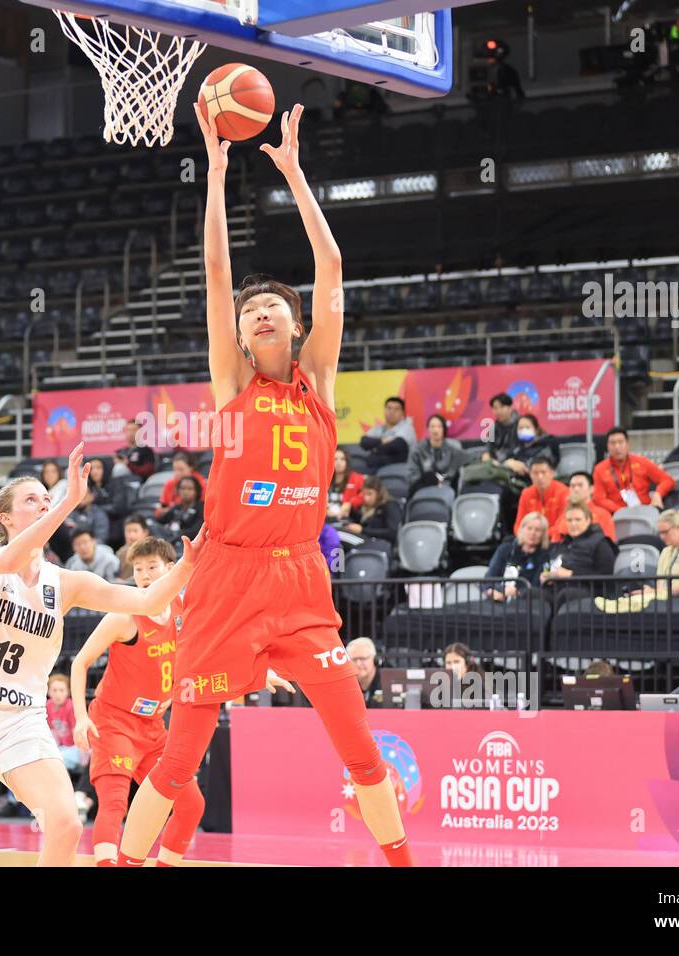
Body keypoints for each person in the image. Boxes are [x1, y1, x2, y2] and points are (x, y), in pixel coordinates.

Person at [118, 103, 411, 869]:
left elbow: (334, 270)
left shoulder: (316, 380)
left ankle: (403, 860)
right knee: (181, 757)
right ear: (245, 339)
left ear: (293, 321)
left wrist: (293, 172)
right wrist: (215, 174)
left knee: (356, 738)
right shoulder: (231, 390)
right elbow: (218, 275)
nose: (261, 311)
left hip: (299, 578)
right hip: (226, 577)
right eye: (252, 313)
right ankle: (120, 862)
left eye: (273, 304)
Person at [0, 445, 201, 867]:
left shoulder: (64, 582)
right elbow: (10, 557)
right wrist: (69, 499)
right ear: (6, 518)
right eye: (32, 500)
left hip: (19, 718)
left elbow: (148, 600)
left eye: (47, 500)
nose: (44, 504)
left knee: (66, 823)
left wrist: (192, 562)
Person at [70, 534, 204, 866]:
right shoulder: (123, 616)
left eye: (151, 567)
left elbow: (209, 650)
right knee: (115, 803)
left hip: (154, 727)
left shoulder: (182, 609)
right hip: (114, 721)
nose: (143, 576)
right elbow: (79, 662)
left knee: (191, 805)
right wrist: (80, 717)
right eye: (138, 569)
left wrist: (260, 674)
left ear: (172, 569)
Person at [601, 508, 679, 612]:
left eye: (665, 532)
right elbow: (660, 585)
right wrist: (652, 592)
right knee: (634, 600)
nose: (662, 537)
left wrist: (654, 593)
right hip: (670, 601)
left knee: (640, 602)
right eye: (660, 533)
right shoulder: (666, 551)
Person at [541, 501, 619, 608]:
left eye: (578, 519)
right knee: (533, 594)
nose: (573, 524)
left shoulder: (601, 542)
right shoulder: (562, 545)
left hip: (593, 594)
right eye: (569, 520)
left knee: (566, 595)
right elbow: (551, 568)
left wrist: (571, 575)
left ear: (588, 521)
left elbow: (606, 577)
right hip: (560, 589)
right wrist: (548, 577)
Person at [592, 427, 674, 513]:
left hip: (644, 512)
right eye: (613, 443)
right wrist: (621, 511)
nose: (617, 447)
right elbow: (599, 499)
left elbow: (668, 480)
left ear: (627, 444)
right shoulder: (599, 469)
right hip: (616, 515)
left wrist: (658, 494)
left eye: (620, 442)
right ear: (607, 447)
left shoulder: (642, 462)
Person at [485, 511, 550, 602]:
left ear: (543, 535)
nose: (533, 533)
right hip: (497, 598)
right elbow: (488, 579)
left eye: (537, 530)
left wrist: (517, 592)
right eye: (529, 528)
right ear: (522, 529)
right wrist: (492, 591)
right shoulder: (505, 549)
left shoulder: (545, 556)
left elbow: (536, 587)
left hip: (526, 603)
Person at [403, 414, 464, 498]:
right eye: (432, 427)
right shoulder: (418, 449)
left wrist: (442, 482)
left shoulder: (453, 448)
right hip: (422, 487)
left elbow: (455, 473)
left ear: (444, 429)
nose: (435, 430)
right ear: (428, 429)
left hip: (446, 487)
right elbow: (412, 474)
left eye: (439, 427)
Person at [343, 476, 403, 556]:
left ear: (379, 493)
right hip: (365, 541)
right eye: (364, 494)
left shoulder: (390, 506)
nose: (366, 498)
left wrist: (362, 530)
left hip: (380, 545)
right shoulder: (367, 506)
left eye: (370, 494)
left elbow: (393, 532)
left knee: (338, 534)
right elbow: (362, 521)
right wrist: (350, 510)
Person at [549, 471, 616, 542]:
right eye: (572, 486)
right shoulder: (563, 517)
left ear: (591, 489)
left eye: (580, 485)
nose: (576, 489)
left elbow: (608, 544)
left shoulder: (603, 515)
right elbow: (555, 543)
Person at [514, 457, 569, 535]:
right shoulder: (526, 493)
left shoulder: (564, 492)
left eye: (543, 472)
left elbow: (563, 525)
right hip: (530, 538)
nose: (540, 477)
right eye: (535, 473)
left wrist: (540, 535)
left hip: (554, 539)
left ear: (552, 473)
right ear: (530, 475)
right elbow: (519, 524)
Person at [359, 396, 415, 471]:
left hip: (401, 469)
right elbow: (364, 442)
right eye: (389, 408)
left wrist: (375, 448)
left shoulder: (407, 428)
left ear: (402, 413)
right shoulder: (379, 428)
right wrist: (382, 441)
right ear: (384, 410)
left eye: (396, 409)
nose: (392, 412)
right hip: (378, 466)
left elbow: (397, 445)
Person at [46, 674, 84, 778]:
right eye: (54, 690)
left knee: (55, 760)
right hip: (60, 748)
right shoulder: (48, 705)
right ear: (48, 692)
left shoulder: (71, 707)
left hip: (76, 748)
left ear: (68, 692)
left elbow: (78, 735)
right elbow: (51, 731)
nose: (58, 694)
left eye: (61, 690)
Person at [154, 476, 204, 542]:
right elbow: (159, 521)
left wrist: (178, 534)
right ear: (178, 490)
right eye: (183, 488)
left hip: (189, 542)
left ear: (197, 491)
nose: (186, 492)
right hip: (171, 538)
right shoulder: (176, 507)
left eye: (190, 489)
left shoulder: (201, 507)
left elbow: (197, 530)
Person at [328, 448, 365, 521]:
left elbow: (364, 495)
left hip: (348, 519)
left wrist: (350, 503)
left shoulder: (357, 478)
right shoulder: (324, 478)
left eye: (342, 459)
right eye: (335, 459)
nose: (338, 462)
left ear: (347, 462)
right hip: (326, 518)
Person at [347, 637, 383, 708]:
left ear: (375, 659)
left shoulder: (386, 682)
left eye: (363, 659)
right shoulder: (346, 685)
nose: (358, 664)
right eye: (354, 659)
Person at [115, 515, 151, 581]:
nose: (131, 535)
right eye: (128, 531)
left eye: (135, 531)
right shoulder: (121, 552)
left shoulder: (152, 551)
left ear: (145, 533)